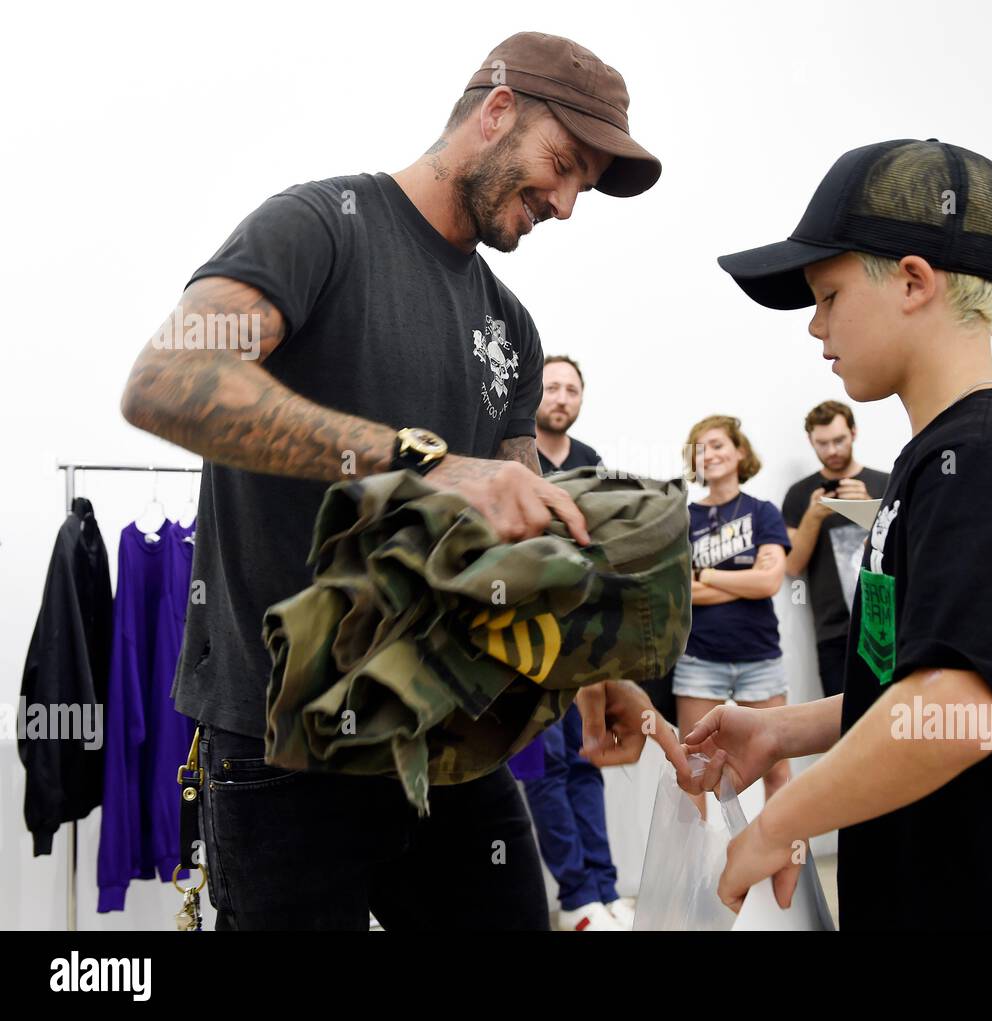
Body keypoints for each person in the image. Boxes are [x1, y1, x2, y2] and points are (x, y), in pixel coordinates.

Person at [118, 31, 663, 931]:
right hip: (282, 745)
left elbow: (515, 529)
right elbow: (168, 380)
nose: (566, 203)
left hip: (447, 730)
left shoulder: (511, 327)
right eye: (562, 164)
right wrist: (425, 461)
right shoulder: (318, 226)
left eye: (583, 189)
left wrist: (596, 658)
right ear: (495, 111)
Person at [581, 140, 992, 930]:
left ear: (913, 280)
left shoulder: (982, 460)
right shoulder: (939, 459)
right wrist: (783, 728)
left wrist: (781, 821)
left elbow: (960, 709)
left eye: (829, 295)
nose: (815, 327)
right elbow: (918, 681)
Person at [522, 354, 634, 931]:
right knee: (550, 764)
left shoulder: (593, 463)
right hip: (530, 639)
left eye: (571, 389)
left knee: (589, 759)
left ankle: (605, 887)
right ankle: (575, 898)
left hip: (583, 640)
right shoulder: (511, 453)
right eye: (551, 387)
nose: (561, 397)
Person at [676, 416, 792, 805]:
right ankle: (704, 870)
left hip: (760, 657)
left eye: (719, 444)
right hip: (698, 658)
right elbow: (680, 593)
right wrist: (745, 583)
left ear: (740, 451)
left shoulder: (763, 513)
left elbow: (769, 583)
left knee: (777, 770)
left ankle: (789, 866)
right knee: (694, 772)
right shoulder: (683, 519)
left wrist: (705, 573)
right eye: (701, 448)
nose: (710, 454)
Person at [782, 400, 889, 697]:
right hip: (833, 630)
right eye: (823, 443)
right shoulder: (800, 494)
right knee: (841, 725)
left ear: (854, 432)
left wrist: (870, 508)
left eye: (839, 440)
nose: (832, 450)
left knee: (890, 722)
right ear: (811, 442)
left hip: (885, 622)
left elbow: (906, 551)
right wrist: (813, 516)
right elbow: (792, 566)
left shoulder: (886, 483)